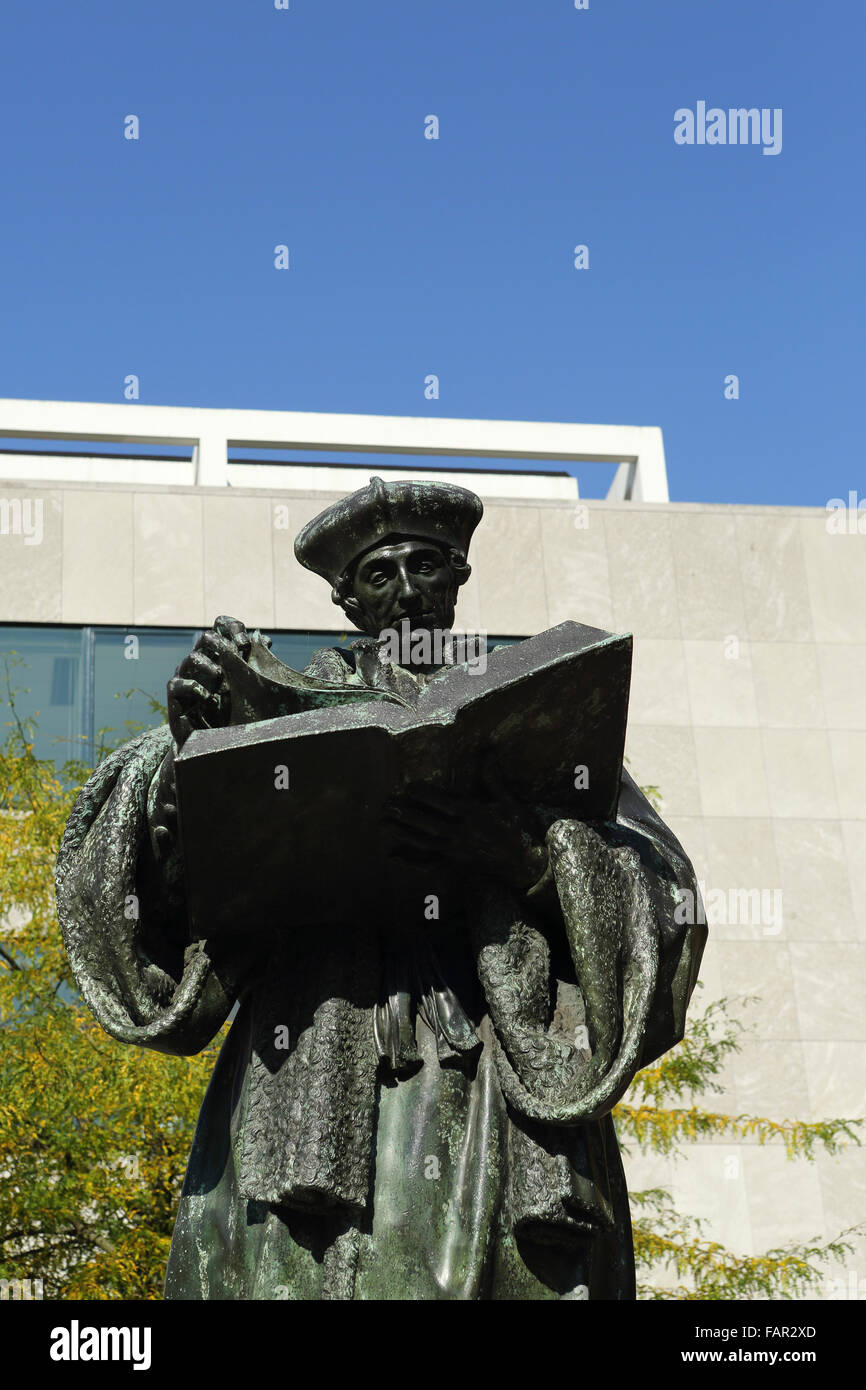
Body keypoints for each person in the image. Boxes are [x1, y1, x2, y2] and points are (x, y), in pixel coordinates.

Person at [56, 475, 706, 1300]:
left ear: (459, 578)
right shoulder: (278, 711)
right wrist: (185, 764)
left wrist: (530, 859)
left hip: (488, 1075)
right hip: (311, 1059)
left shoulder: (531, 715)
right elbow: (119, 878)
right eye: (379, 574)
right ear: (345, 597)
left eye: (427, 566)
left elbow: (667, 895)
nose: (406, 591)